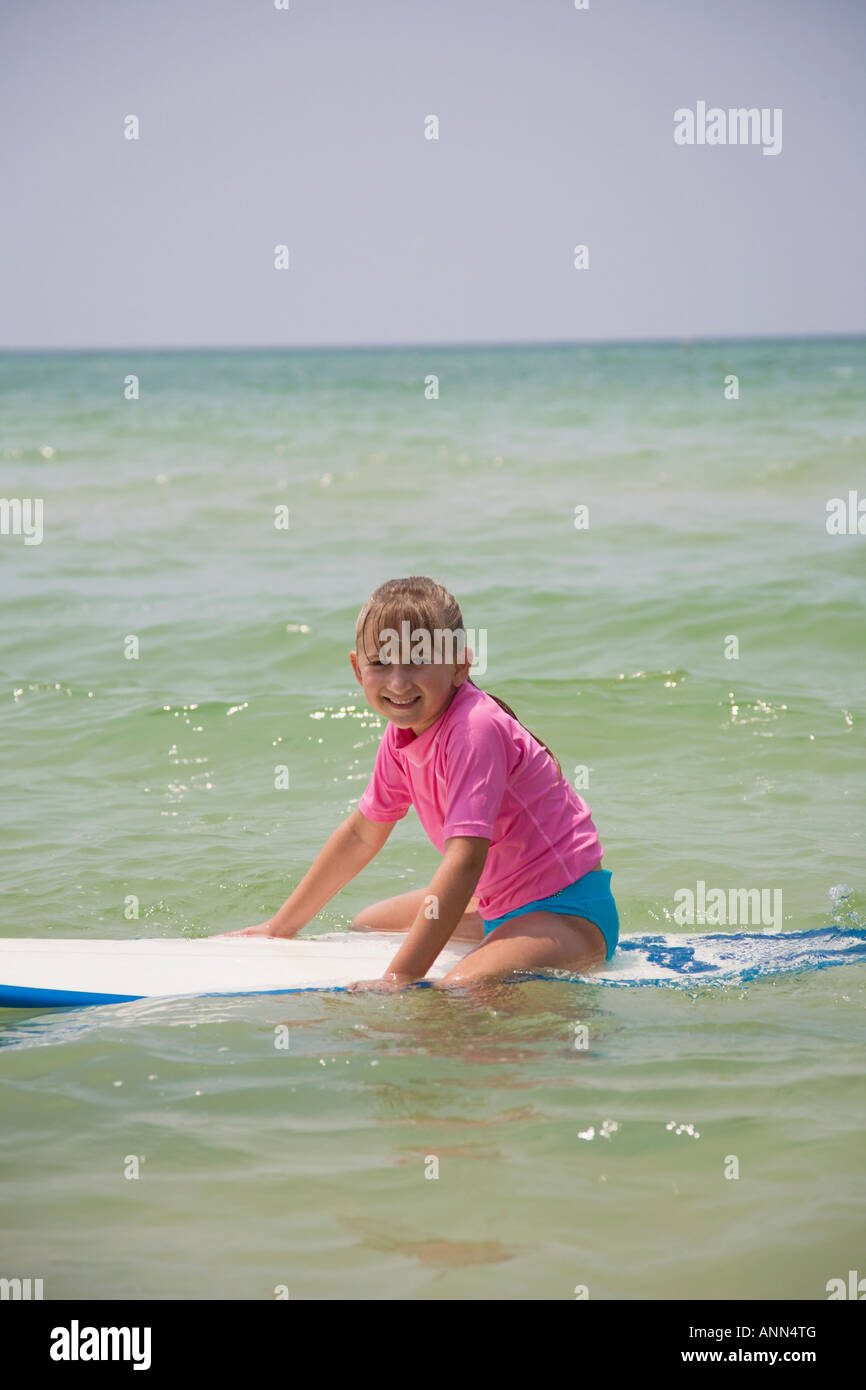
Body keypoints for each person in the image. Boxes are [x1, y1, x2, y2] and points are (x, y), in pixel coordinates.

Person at [222, 576, 619, 992]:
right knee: (369, 925)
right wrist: (279, 928)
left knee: (454, 993)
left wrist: (402, 977)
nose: (397, 683)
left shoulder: (474, 728)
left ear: (460, 666)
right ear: (358, 669)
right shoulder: (402, 735)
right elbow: (361, 834)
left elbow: (465, 860)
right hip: (494, 905)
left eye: (416, 661)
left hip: (565, 913)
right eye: (381, 664)